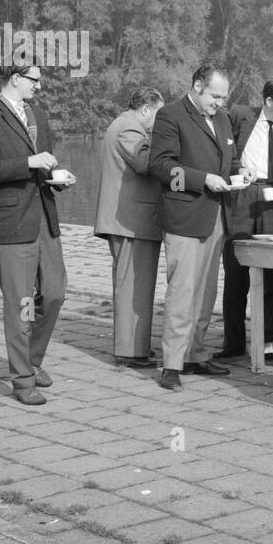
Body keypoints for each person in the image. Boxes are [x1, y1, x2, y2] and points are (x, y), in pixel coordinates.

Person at [0, 64, 74, 405]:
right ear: (15, 79)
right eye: (34, 80)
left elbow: (47, 162)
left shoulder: (38, 115)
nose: (39, 87)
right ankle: (22, 378)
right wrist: (29, 162)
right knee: (20, 304)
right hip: (11, 222)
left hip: (44, 215)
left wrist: (59, 175)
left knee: (55, 292)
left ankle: (32, 359)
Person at [149, 62, 244, 392]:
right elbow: (161, 166)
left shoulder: (222, 118)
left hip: (218, 217)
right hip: (186, 217)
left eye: (223, 97)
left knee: (206, 292)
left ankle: (195, 354)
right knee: (182, 293)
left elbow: (229, 160)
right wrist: (203, 180)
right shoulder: (171, 115)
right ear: (197, 86)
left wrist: (238, 173)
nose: (220, 102)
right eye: (215, 96)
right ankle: (172, 364)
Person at [217, 76, 273, 363]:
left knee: (272, 276)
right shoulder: (240, 116)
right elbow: (225, 151)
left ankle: (268, 340)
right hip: (243, 199)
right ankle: (233, 342)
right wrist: (237, 167)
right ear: (268, 101)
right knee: (235, 273)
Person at [93, 87, 164, 369]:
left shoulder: (125, 126)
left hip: (131, 220)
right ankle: (129, 351)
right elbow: (146, 162)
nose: (159, 122)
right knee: (132, 286)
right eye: (158, 115)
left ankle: (136, 348)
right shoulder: (128, 130)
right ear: (145, 108)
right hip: (130, 222)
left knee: (137, 285)